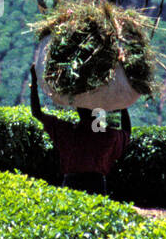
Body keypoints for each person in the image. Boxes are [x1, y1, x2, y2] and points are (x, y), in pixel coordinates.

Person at [29, 65, 131, 195]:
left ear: (78, 111)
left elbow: (37, 113)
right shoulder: (106, 136)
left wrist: (34, 82)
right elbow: (127, 132)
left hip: (71, 183)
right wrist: (121, 104)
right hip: (97, 184)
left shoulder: (67, 132)